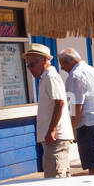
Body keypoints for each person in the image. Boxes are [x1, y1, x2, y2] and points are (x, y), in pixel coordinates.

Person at [25, 43, 74, 178]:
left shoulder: (51, 77)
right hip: (52, 137)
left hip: (55, 137)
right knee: (60, 177)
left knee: (55, 177)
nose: (30, 69)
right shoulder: (45, 78)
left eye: (32, 65)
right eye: (28, 66)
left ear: (44, 61)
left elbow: (60, 103)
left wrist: (52, 130)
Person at [59, 47, 94, 176]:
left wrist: (73, 129)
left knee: (93, 164)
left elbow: (76, 105)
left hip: (88, 124)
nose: (64, 70)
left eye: (62, 67)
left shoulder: (75, 76)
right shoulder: (92, 71)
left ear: (66, 63)